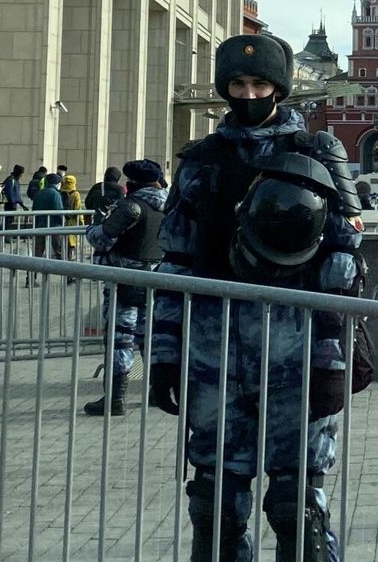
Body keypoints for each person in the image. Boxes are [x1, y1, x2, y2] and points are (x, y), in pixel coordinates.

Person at [150, 34, 362, 562]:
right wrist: (164, 354)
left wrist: (333, 358)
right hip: (213, 345)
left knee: (298, 505)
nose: (249, 95)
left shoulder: (316, 154)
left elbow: (344, 260)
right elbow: (174, 262)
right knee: (215, 502)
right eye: (239, 84)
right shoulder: (201, 161)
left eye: (261, 83)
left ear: (279, 89)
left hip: (296, 342)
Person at [83, 158, 168, 416]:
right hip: (159, 279)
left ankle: (116, 398)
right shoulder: (170, 205)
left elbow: (103, 237)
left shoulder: (132, 207)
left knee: (121, 338)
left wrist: (94, 226)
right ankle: (158, 391)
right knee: (151, 337)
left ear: (133, 183)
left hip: (127, 280)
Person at [60, 172, 84, 259]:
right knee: (72, 241)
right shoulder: (75, 194)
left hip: (63, 220)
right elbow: (78, 208)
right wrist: (81, 221)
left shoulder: (60, 193)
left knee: (64, 239)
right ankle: (69, 257)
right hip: (73, 221)